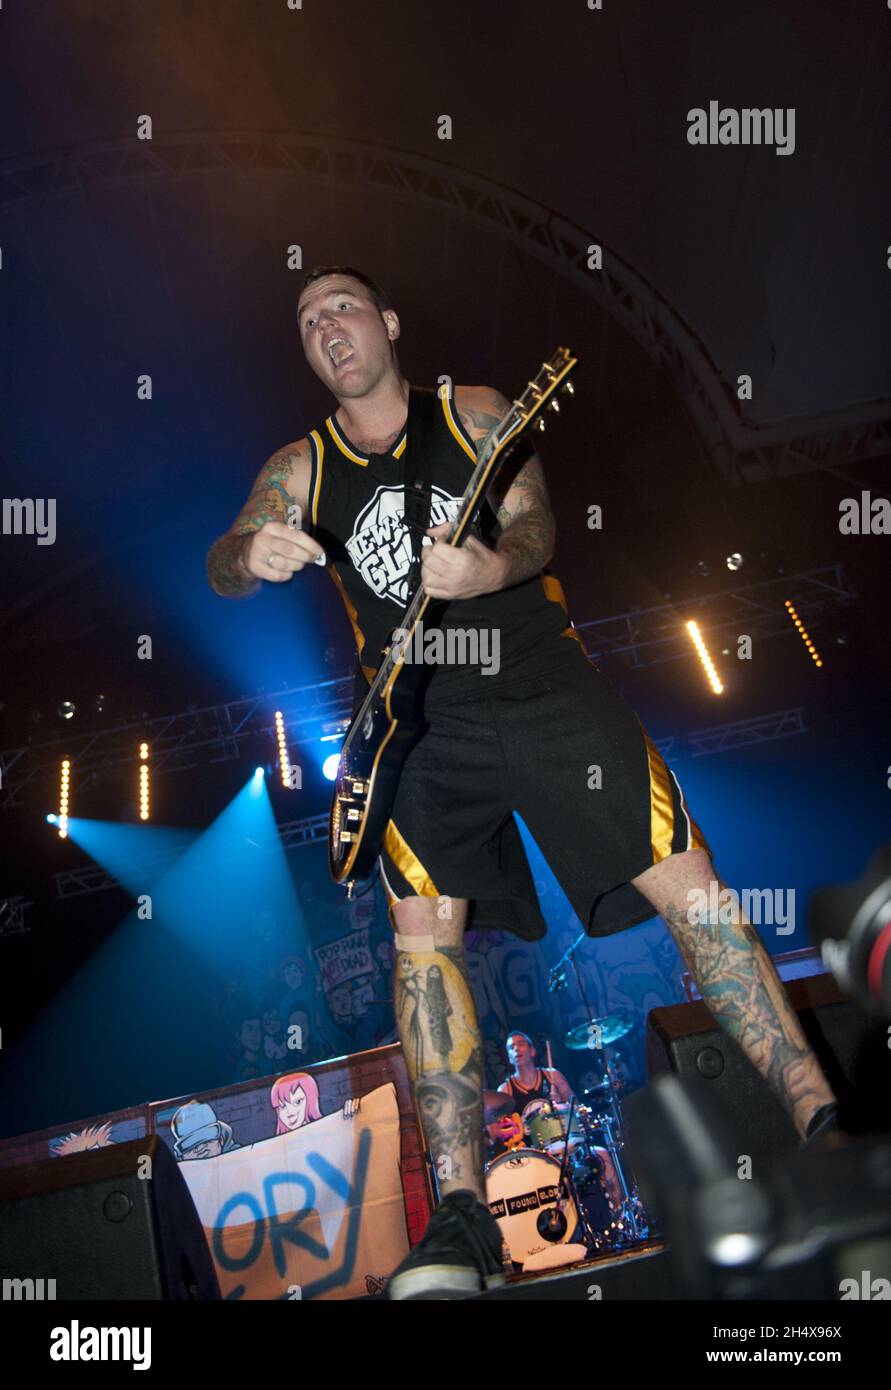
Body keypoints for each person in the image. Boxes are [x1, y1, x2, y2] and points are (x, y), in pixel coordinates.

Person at [207, 265, 841, 1299]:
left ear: (390, 324)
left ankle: (822, 1114)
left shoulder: (480, 411)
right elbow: (220, 565)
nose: (328, 325)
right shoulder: (300, 468)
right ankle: (462, 1218)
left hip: (539, 677)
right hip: (418, 722)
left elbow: (540, 525)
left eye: (345, 307)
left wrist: (490, 568)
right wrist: (253, 549)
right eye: (309, 318)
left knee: (696, 890)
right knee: (425, 953)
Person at [487, 1031, 622, 1210]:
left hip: (568, 1147)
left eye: (521, 1044)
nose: (516, 1049)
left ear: (532, 1051)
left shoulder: (553, 1076)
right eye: (511, 1047)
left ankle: (621, 1216)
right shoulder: (506, 1089)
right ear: (509, 1058)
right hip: (536, 1157)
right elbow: (501, 1131)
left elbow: (577, 1108)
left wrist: (561, 1102)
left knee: (602, 1154)